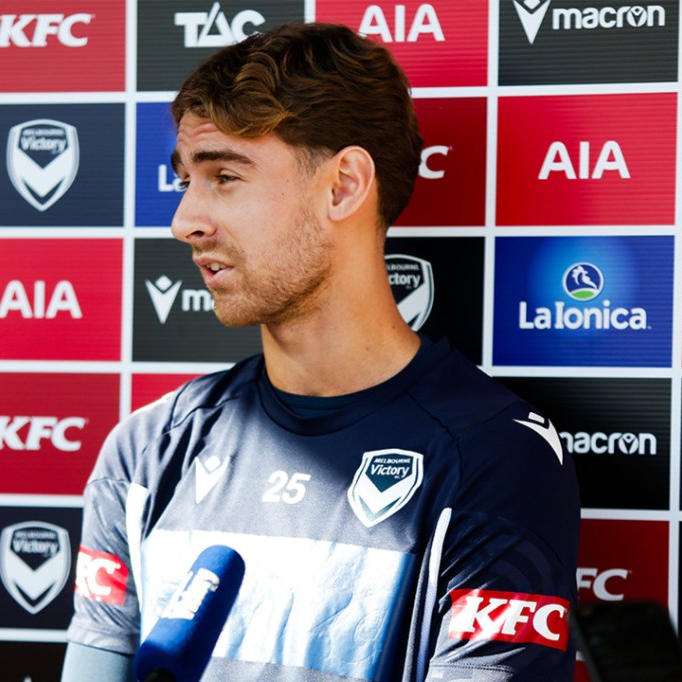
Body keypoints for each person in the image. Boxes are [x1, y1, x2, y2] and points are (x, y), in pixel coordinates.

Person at [62, 22, 581, 682]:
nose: (184, 220)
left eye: (224, 175)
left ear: (342, 187)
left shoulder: (493, 457)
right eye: (185, 180)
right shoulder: (147, 451)